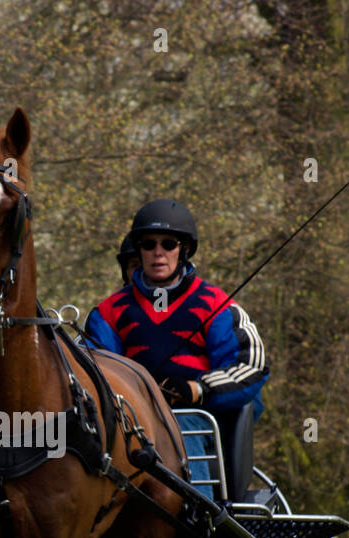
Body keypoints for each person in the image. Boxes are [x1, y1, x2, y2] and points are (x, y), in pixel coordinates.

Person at [86, 199, 268, 494]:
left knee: (179, 429)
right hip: (129, 424)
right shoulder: (108, 312)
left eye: (168, 244)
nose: (158, 252)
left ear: (184, 249)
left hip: (193, 419)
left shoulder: (217, 305)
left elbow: (250, 366)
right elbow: (95, 371)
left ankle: (195, 514)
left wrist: (197, 390)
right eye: (148, 244)